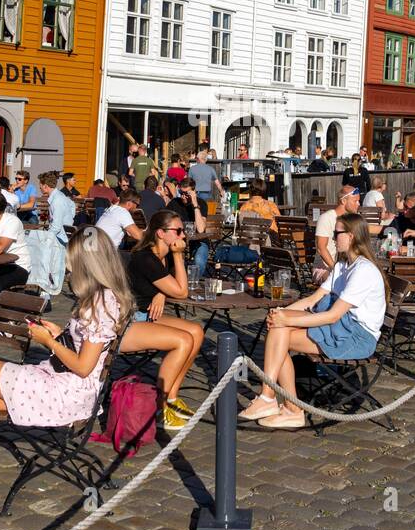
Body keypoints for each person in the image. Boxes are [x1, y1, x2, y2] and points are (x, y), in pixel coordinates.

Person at [0, 228, 132, 526]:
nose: (68, 267)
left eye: (72, 261)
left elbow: (83, 367)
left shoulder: (101, 303)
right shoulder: (101, 297)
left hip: (66, 392)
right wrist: (60, 333)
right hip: (58, 379)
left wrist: (49, 341)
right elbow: (85, 349)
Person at [241, 213, 386, 430]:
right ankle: (283, 404)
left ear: (352, 236)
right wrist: (280, 312)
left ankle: (274, 400)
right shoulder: (342, 265)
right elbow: (313, 299)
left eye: (337, 233)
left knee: (281, 331)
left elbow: (333, 315)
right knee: (279, 326)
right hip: (341, 326)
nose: (333, 238)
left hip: (357, 336)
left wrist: (284, 318)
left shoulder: (364, 270)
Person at [123, 210, 205, 431]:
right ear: (160, 233)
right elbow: (181, 292)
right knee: (183, 340)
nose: (183, 236)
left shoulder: (162, 254)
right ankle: (159, 408)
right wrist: (179, 257)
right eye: (178, 231)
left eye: (183, 231)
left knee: (196, 331)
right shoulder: (146, 257)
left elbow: (167, 285)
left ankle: (171, 398)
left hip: (146, 315)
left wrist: (161, 293)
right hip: (129, 320)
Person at [315, 185, 362, 278]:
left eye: (359, 201)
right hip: (325, 268)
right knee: (336, 281)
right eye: (355, 201)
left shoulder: (354, 219)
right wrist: (335, 269)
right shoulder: (326, 218)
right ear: (343, 201)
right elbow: (321, 248)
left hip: (347, 266)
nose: (359, 204)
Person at [40, 171, 76, 245]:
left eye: (40, 185)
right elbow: (72, 204)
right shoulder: (59, 194)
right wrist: (69, 218)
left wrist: (45, 238)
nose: (39, 187)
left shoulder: (57, 200)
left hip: (61, 239)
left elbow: (56, 227)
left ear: (45, 186)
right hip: (62, 235)